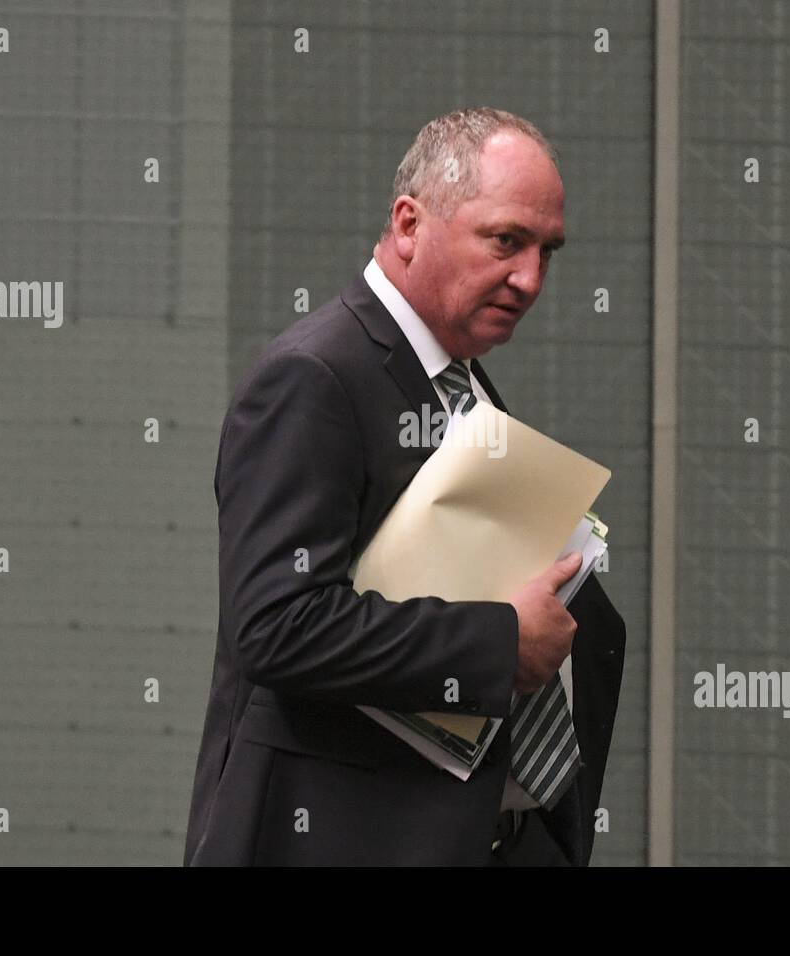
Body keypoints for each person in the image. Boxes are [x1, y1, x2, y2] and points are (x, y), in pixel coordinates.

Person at [183, 107, 626, 866]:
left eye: (547, 252)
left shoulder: (460, 381)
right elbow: (275, 625)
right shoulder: (313, 376)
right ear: (409, 223)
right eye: (506, 241)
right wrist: (498, 643)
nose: (529, 279)